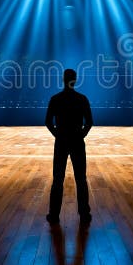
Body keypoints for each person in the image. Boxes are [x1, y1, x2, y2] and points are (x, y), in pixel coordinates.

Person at [45, 68, 93, 225]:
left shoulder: (55, 99)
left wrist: (57, 135)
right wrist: (81, 135)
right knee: (81, 178)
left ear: (63, 80)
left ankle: (54, 215)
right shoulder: (82, 99)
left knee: (58, 179)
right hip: (77, 141)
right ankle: (84, 214)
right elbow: (89, 122)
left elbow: (48, 122)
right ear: (75, 80)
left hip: (61, 141)